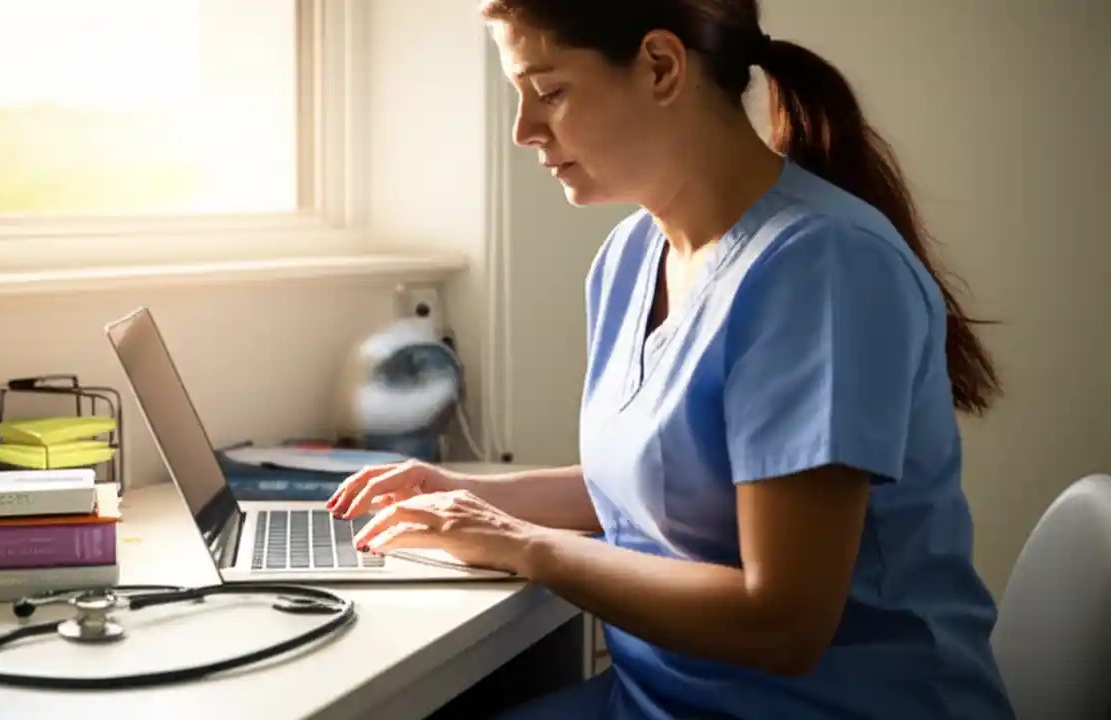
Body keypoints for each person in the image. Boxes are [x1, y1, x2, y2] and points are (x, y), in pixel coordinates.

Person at [327, 1, 1015, 717]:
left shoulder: (822, 267)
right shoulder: (630, 256)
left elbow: (782, 622)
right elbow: (658, 487)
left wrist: (527, 546)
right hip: (655, 702)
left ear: (661, 66)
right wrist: (462, 496)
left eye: (550, 91)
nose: (524, 131)